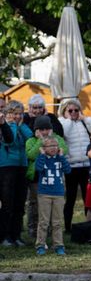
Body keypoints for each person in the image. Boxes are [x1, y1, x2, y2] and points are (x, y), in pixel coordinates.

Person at [25, 117, 68, 241]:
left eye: (47, 129)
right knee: (35, 205)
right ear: (36, 130)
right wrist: (41, 141)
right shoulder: (31, 141)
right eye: (41, 129)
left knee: (53, 207)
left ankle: (51, 233)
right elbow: (31, 155)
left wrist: (50, 142)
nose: (44, 131)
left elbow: (63, 150)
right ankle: (34, 231)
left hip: (54, 178)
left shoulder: (57, 138)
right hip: (36, 178)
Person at [58, 97, 91, 233]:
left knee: (88, 197)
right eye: (70, 110)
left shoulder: (83, 122)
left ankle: (89, 224)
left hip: (86, 165)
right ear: (65, 111)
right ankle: (67, 227)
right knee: (71, 198)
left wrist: (84, 119)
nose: (74, 112)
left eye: (76, 110)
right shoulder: (62, 122)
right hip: (71, 166)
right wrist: (68, 119)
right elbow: (63, 133)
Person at [1, 102, 34, 246]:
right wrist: (13, 124)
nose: (18, 116)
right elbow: (11, 140)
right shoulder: (6, 127)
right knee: (7, 204)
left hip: (22, 166)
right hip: (7, 167)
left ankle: (16, 235)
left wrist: (21, 124)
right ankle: (4, 237)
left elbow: (31, 137)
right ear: (8, 114)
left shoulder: (21, 125)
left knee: (19, 204)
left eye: (20, 113)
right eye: (15, 113)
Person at [33, 138, 71, 256]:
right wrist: (42, 155)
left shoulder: (60, 159)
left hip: (58, 194)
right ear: (44, 148)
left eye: (55, 145)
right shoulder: (42, 158)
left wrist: (61, 156)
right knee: (44, 222)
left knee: (57, 222)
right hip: (44, 194)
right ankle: (40, 245)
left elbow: (68, 170)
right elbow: (38, 168)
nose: (53, 148)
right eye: (50, 146)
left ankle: (58, 245)